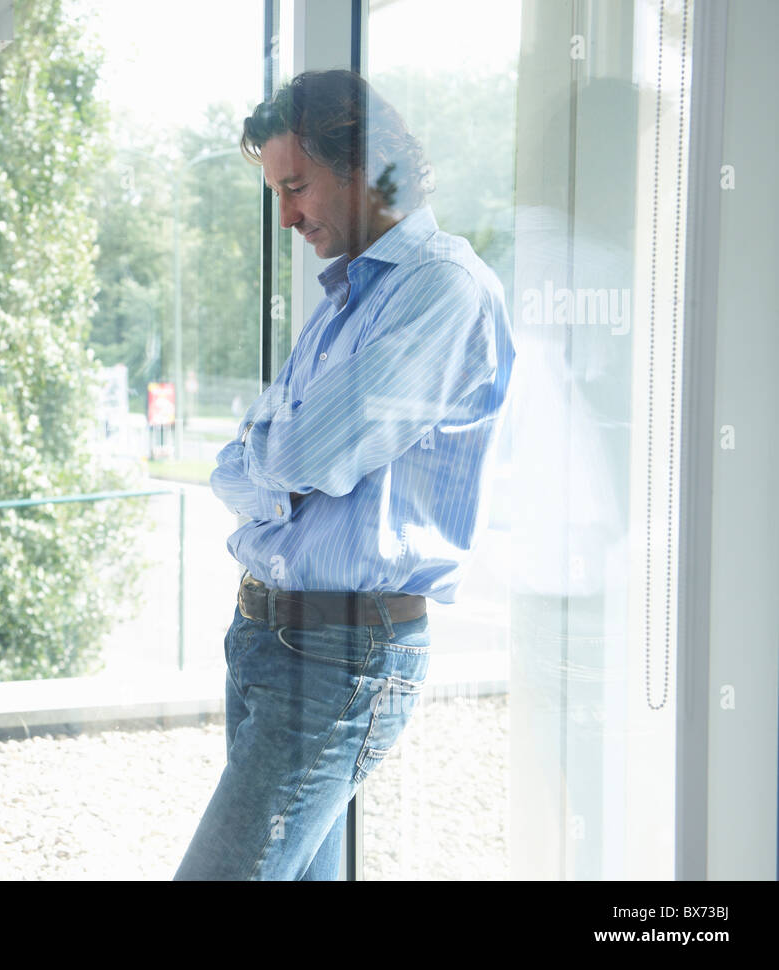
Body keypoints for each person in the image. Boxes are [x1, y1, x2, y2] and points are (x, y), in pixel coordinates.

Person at [174, 69, 516, 880]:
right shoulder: (346, 302)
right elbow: (236, 468)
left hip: (341, 652)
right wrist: (279, 460)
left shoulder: (443, 289)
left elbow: (299, 454)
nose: (286, 216)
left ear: (361, 165)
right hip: (266, 638)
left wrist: (280, 459)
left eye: (296, 187)